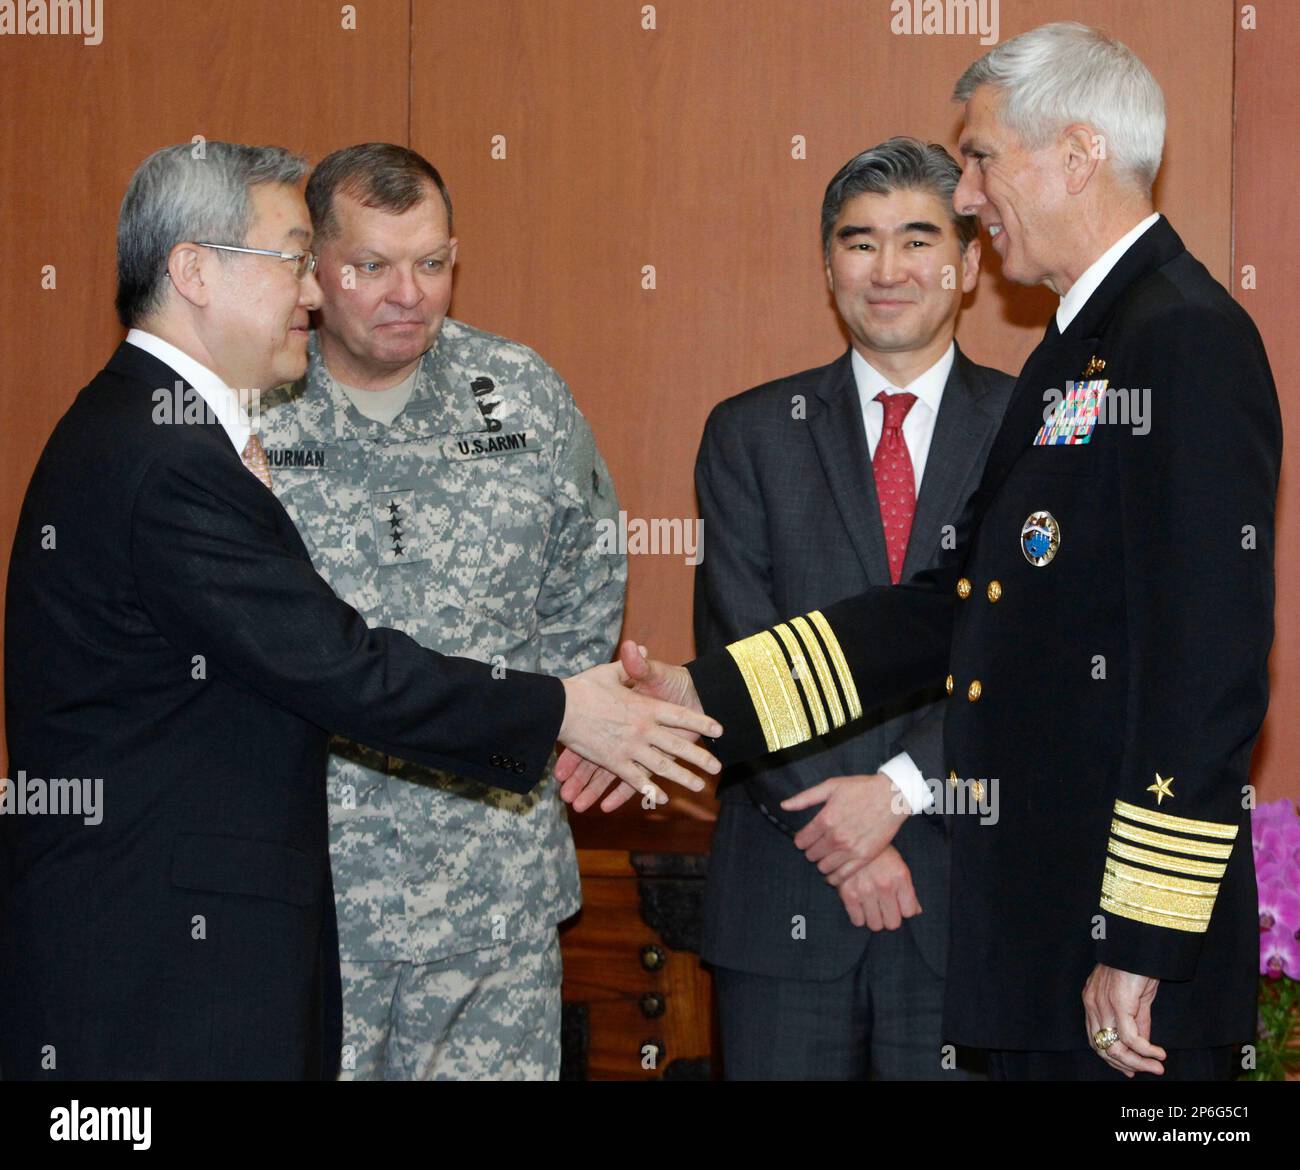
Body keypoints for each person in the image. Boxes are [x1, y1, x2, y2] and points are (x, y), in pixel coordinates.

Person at [560, 22, 1281, 1082]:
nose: (972, 197)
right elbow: (952, 606)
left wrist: (1143, 943)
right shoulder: (1078, 347)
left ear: (1075, 155)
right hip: (1043, 944)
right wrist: (702, 691)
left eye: (984, 158)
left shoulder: (1182, 337)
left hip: (1120, 973)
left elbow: (1206, 673)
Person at [0, 141, 717, 1080]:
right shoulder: (173, 455)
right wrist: (564, 709)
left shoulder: (152, 427)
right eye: (302, 261)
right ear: (196, 271)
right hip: (178, 955)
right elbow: (339, 664)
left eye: (430, 263)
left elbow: (576, 583)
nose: (310, 293)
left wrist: (577, 707)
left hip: (406, 906)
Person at [258, 143, 624, 1080]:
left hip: (490, 897)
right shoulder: (252, 409)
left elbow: (587, 591)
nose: (407, 294)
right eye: (371, 266)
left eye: (432, 262)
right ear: (313, 271)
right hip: (308, 893)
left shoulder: (522, 393)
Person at [691, 138, 1012, 1079]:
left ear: (967, 263)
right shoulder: (749, 433)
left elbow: (1035, 659)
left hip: (964, 900)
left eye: (918, 240)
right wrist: (846, 841)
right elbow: (742, 654)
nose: (888, 269)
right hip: (784, 897)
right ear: (828, 264)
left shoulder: (1034, 430)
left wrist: (902, 792)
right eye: (858, 241)